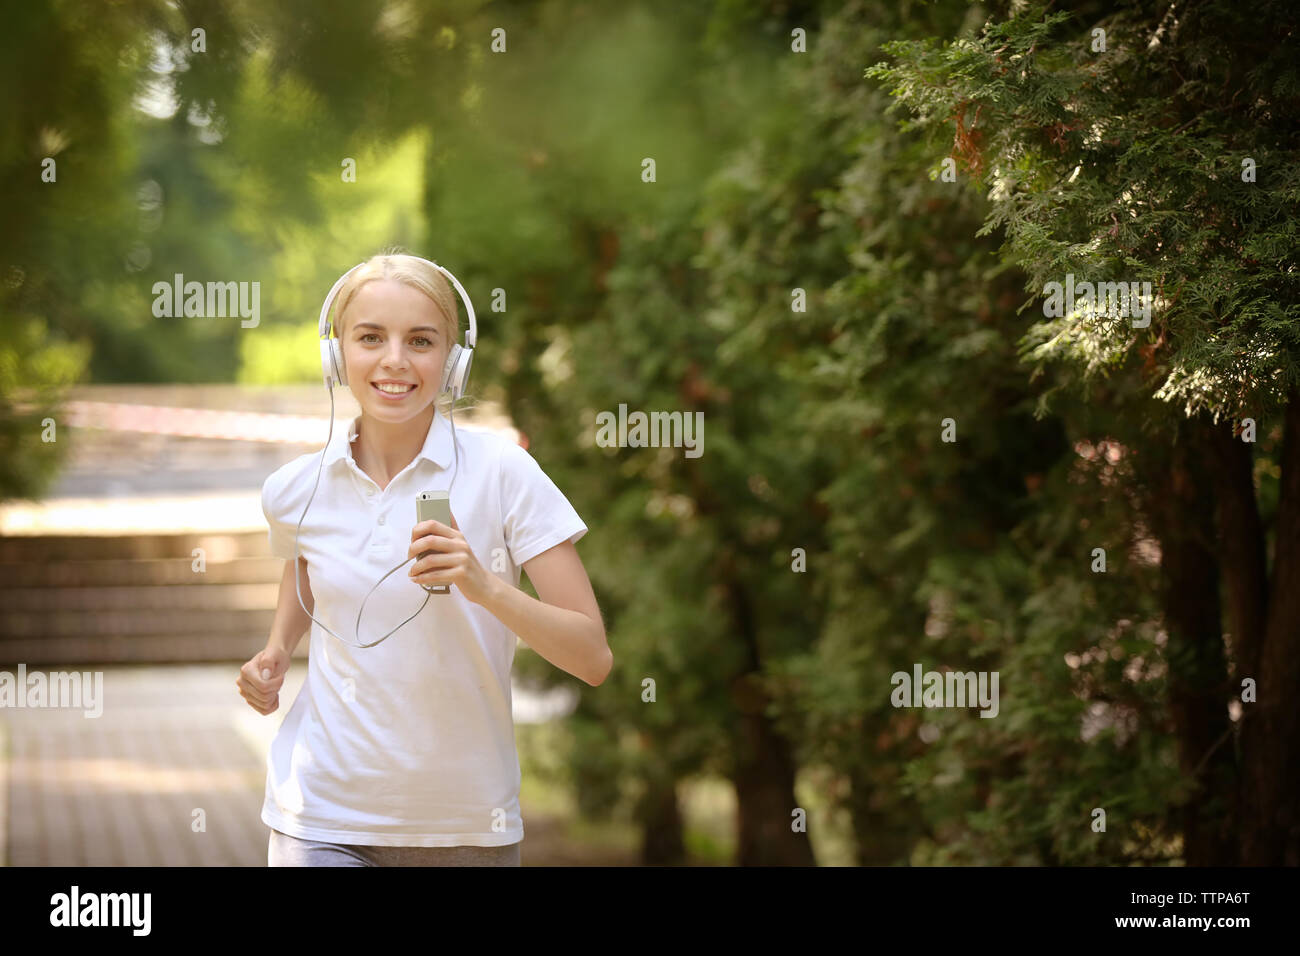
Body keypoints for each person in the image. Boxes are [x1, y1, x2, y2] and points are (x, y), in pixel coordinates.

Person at [235, 254, 612, 866]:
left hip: (467, 828)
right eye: (369, 338)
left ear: (454, 363)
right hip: (319, 816)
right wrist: (277, 648)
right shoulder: (295, 488)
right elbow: (304, 566)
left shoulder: (503, 474)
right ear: (336, 355)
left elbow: (592, 656)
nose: (394, 360)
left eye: (420, 341)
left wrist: (485, 586)